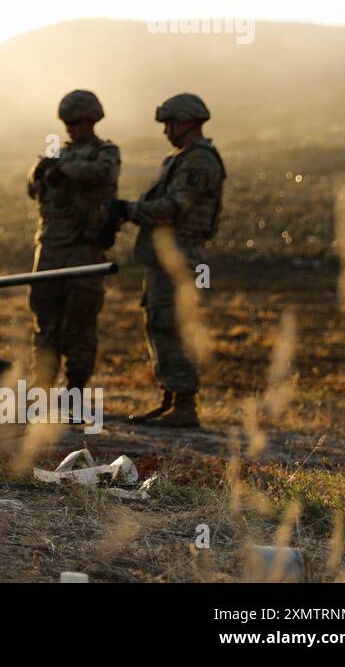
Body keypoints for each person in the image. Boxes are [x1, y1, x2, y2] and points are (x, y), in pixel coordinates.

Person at [114, 93, 225, 429]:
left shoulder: (198, 162)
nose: (166, 131)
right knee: (159, 322)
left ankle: (184, 404)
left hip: (180, 255)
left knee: (171, 324)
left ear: (188, 122)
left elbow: (175, 206)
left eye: (170, 124)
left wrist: (130, 210)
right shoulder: (181, 159)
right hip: (166, 255)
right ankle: (171, 398)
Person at [25, 90, 120, 392]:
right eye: (67, 123)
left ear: (92, 120)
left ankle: (75, 391)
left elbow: (103, 173)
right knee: (45, 323)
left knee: (79, 323)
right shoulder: (58, 154)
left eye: (78, 122)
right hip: (50, 246)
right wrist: (38, 173)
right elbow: (33, 189)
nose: (72, 128)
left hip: (84, 247)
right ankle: (42, 388)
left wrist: (63, 171)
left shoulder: (105, 153)